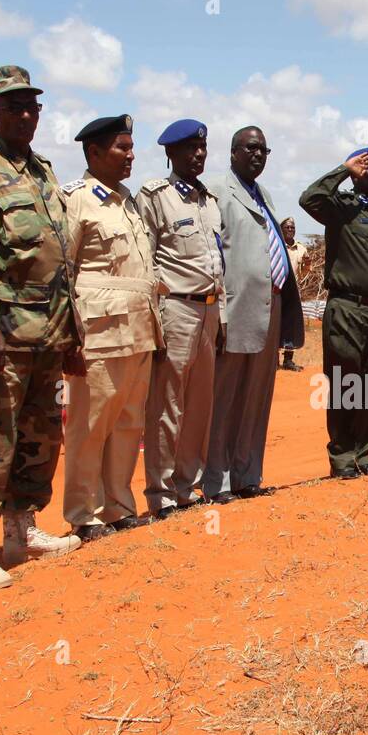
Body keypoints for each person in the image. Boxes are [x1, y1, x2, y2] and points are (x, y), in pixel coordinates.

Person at [0, 66, 82, 590]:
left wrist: (72, 332)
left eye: (32, 106)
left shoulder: (44, 169)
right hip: (4, 336)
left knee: (42, 437)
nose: (26, 115)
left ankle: (21, 531)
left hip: (51, 335)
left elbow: (60, 259)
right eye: (14, 107)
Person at [62, 114, 164, 540]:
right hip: (99, 331)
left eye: (131, 147)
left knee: (127, 423)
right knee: (90, 426)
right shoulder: (75, 199)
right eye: (122, 148)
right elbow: (63, 270)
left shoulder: (130, 201)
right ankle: (83, 514)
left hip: (139, 327)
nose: (131, 155)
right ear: (94, 153)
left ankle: (118, 506)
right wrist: (67, 333)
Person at [203, 126, 302, 503]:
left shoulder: (266, 195)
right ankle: (218, 481)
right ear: (233, 152)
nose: (258, 155)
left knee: (257, 397)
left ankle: (248, 476)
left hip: (271, 304)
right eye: (251, 148)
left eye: (264, 149)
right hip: (236, 306)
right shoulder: (217, 190)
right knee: (226, 397)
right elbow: (212, 251)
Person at [137, 119, 224, 519]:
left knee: (200, 405)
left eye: (202, 147)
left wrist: (219, 315)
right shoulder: (156, 196)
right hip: (176, 309)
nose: (199, 154)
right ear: (171, 153)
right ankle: (162, 494)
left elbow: (216, 263)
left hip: (209, 310)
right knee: (167, 405)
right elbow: (146, 260)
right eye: (190, 148)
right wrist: (155, 317)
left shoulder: (210, 201)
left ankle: (188, 486)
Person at [299, 148, 368, 478]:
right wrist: (344, 169)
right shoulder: (341, 207)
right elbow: (309, 199)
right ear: (357, 174)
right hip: (348, 310)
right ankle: (342, 458)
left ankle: (363, 457)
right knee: (346, 385)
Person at [279, 216, 307, 371]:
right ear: (281, 229)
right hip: (277, 291)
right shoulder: (276, 245)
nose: (290, 230)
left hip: (294, 292)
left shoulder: (301, 249)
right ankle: (273, 360)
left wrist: (307, 266)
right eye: (287, 227)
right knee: (275, 324)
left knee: (291, 325)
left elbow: (304, 272)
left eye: (292, 227)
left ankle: (288, 360)